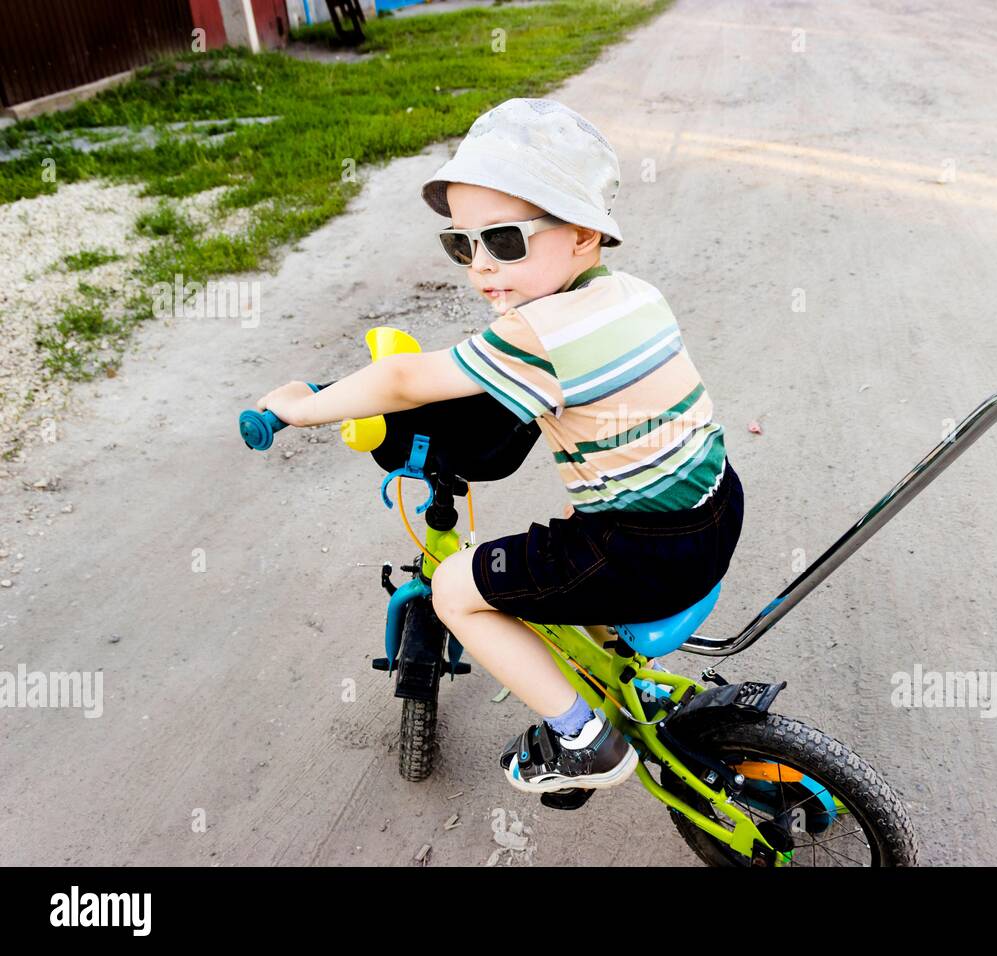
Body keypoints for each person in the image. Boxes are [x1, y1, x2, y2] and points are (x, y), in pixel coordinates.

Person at [256, 97, 743, 794]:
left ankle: (585, 739)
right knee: (576, 533)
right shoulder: (635, 295)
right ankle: (611, 678)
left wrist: (301, 408)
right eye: (463, 244)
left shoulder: (533, 336)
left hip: (646, 555)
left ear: (581, 235)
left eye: (505, 241)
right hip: (715, 507)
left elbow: (404, 380)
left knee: (457, 589)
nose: (480, 265)